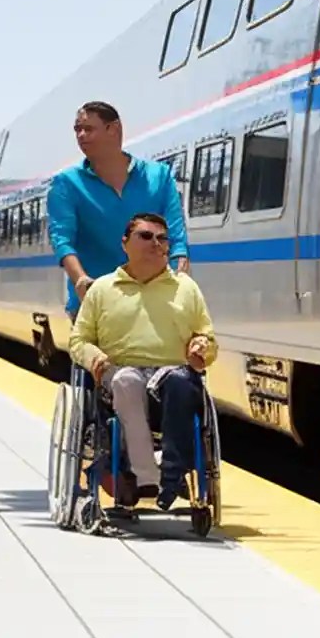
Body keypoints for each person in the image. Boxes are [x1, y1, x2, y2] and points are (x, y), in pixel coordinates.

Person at [69, 212, 217, 510]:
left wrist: (203, 348)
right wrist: (94, 356)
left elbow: (208, 338)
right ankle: (148, 476)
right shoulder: (102, 289)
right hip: (120, 372)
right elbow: (78, 340)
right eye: (146, 236)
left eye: (162, 238)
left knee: (180, 380)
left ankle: (172, 475)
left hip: (170, 373)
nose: (156, 243)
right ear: (125, 243)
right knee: (127, 381)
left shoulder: (186, 288)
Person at [47, 101, 190, 321]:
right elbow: (62, 239)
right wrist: (81, 279)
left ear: (114, 129)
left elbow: (175, 233)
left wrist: (179, 273)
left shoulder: (159, 176)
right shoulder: (66, 184)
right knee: (99, 357)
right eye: (77, 130)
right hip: (95, 302)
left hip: (153, 300)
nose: (81, 136)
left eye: (89, 129)